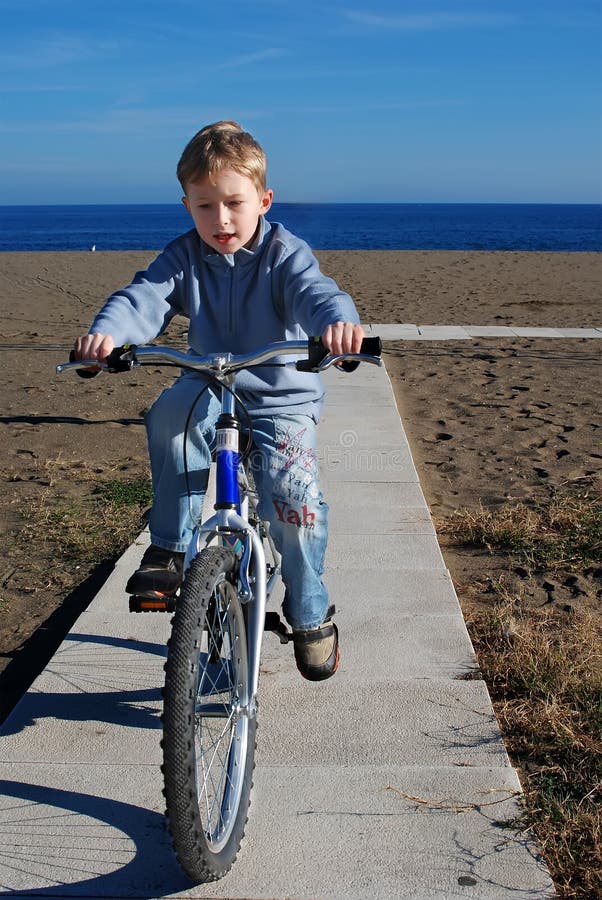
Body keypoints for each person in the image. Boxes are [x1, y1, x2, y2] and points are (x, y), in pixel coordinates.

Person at [73, 120, 364, 681]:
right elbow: (143, 297)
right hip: (206, 379)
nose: (222, 219)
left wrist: (338, 329)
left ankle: (307, 607)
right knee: (170, 418)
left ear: (264, 199)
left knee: (292, 499)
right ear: (188, 206)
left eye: (235, 202)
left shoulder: (284, 254)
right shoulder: (184, 256)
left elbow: (318, 294)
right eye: (206, 206)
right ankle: (169, 549)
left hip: (280, 393)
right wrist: (107, 335)